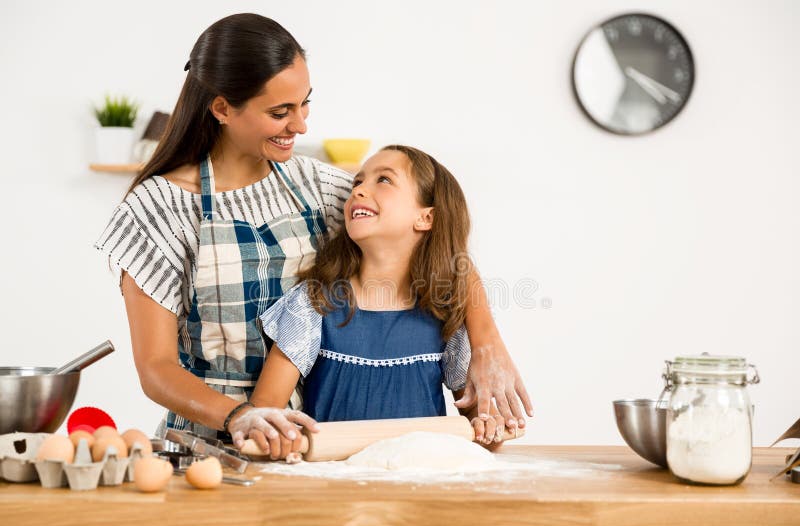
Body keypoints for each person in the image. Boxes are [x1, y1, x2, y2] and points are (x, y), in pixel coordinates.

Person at [94, 13, 531, 445]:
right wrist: (242, 416)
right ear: (223, 108)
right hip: (206, 448)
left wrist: (487, 344)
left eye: (305, 103)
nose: (301, 125)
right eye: (280, 111)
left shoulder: (318, 187)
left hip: (310, 445)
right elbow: (156, 370)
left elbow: (440, 249)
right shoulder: (156, 211)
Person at [238, 146, 506, 458]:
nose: (359, 189)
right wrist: (273, 434)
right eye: (358, 183)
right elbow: (264, 413)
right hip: (331, 486)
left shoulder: (445, 314)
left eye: (384, 180)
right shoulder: (312, 303)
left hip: (418, 485)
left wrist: (490, 427)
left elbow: (479, 424)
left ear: (426, 217)